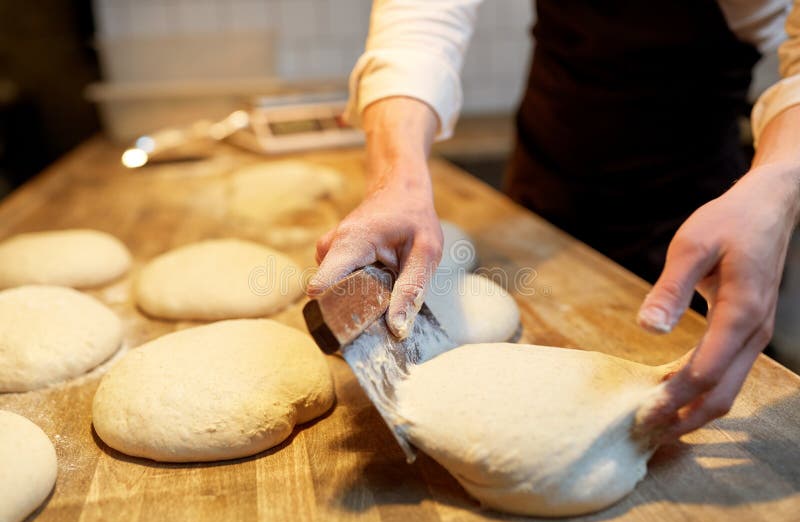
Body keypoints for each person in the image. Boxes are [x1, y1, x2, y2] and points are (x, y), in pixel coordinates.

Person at [307, 0, 800, 444]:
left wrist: (779, 181)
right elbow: (421, 21)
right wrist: (399, 178)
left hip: (697, 204)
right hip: (547, 170)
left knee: (699, 360)